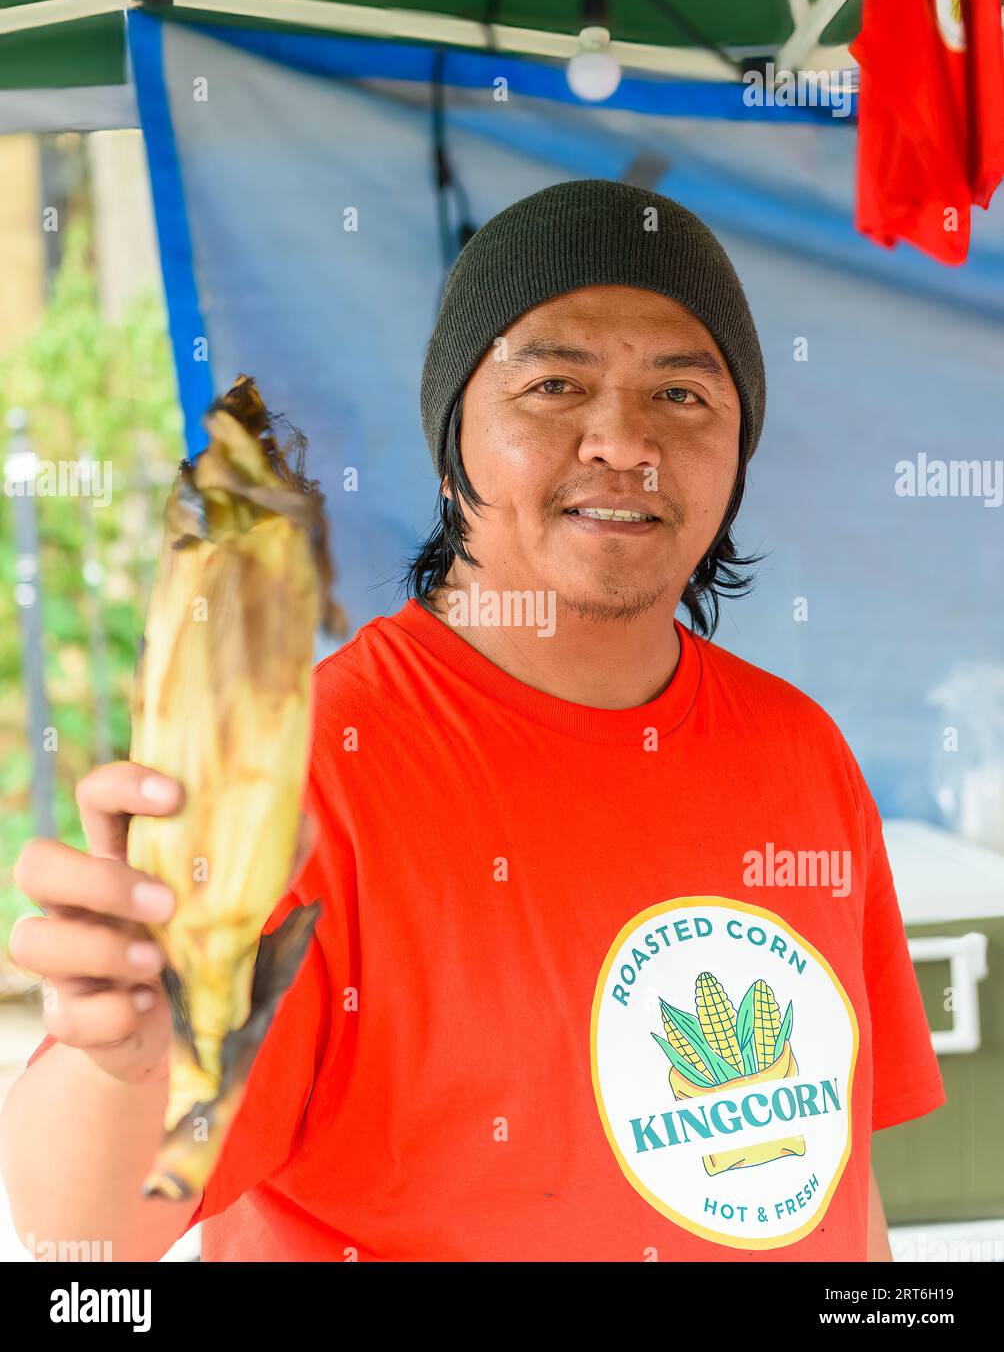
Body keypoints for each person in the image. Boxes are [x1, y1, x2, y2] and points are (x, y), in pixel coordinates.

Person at [0, 179, 944, 1262]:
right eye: (552, 384)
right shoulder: (307, 772)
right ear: (453, 451)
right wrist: (118, 1065)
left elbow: (835, 1193)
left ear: (736, 455)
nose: (621, 441)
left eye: (681, 396)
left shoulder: (799, 751)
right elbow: (84, 1234)